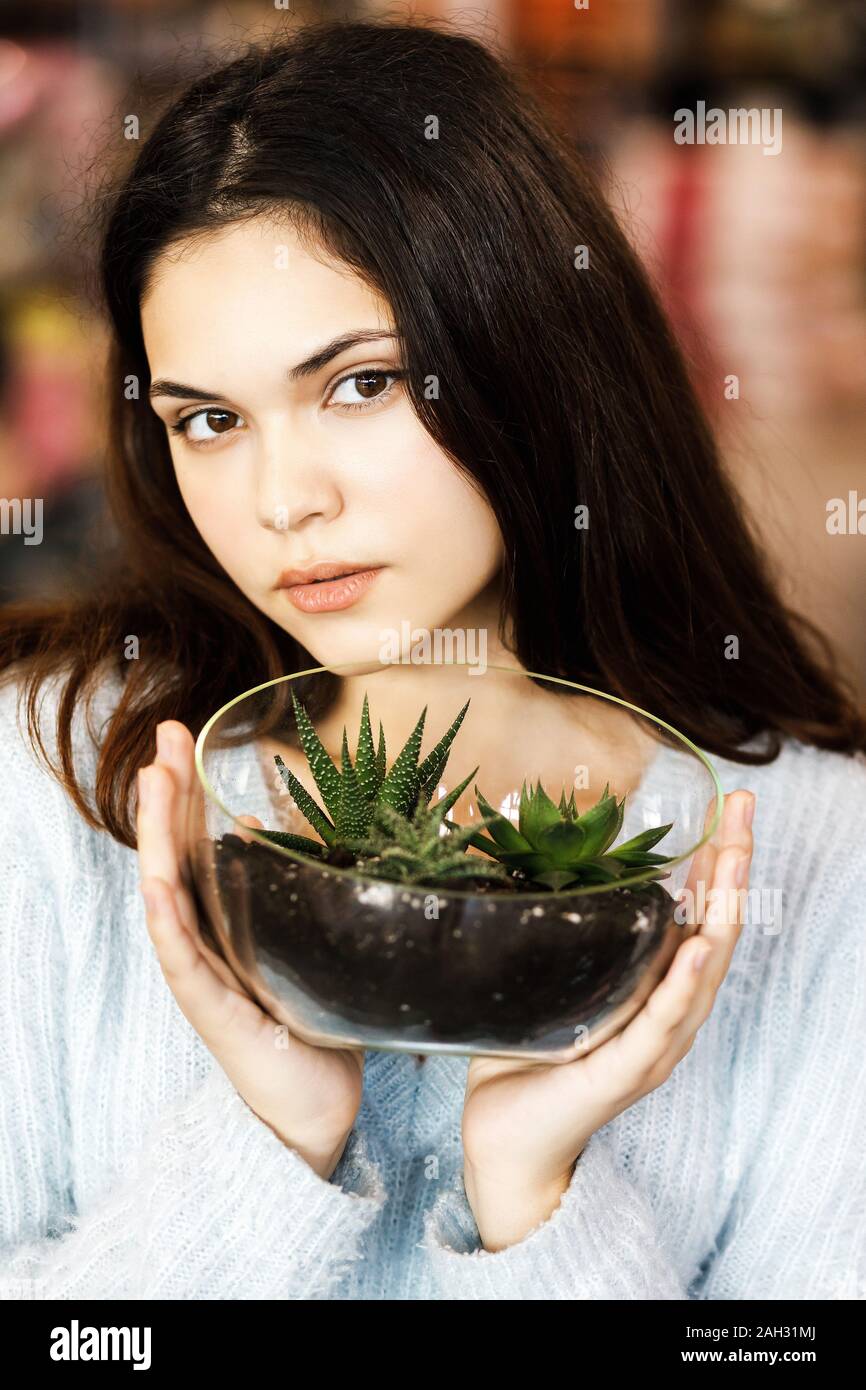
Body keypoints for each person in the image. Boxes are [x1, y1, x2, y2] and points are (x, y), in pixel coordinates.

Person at [1, 18, 864, 1300]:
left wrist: (532, 1200)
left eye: (359, 385)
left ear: (528, 349)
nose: (284, 500)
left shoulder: (817, 859)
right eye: (212, 420)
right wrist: (265, 1149)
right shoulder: (54, 779)